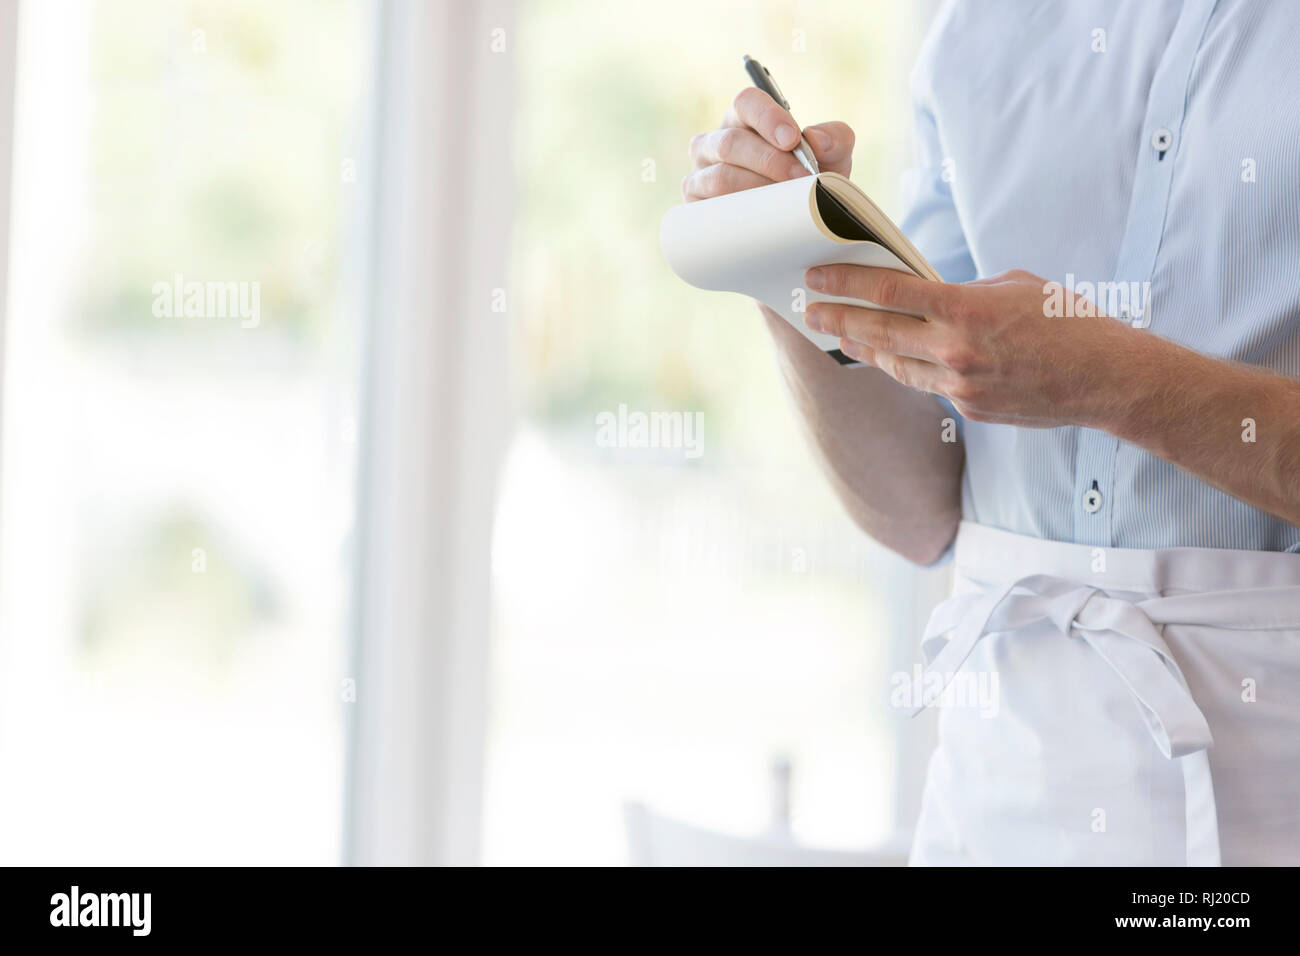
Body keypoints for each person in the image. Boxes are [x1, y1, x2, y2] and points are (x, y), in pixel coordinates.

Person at [682, 0, 1300, 865]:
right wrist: (791, 272)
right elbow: (920, 513)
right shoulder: (975, 33)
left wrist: (1108, 378)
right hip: (998, 787)